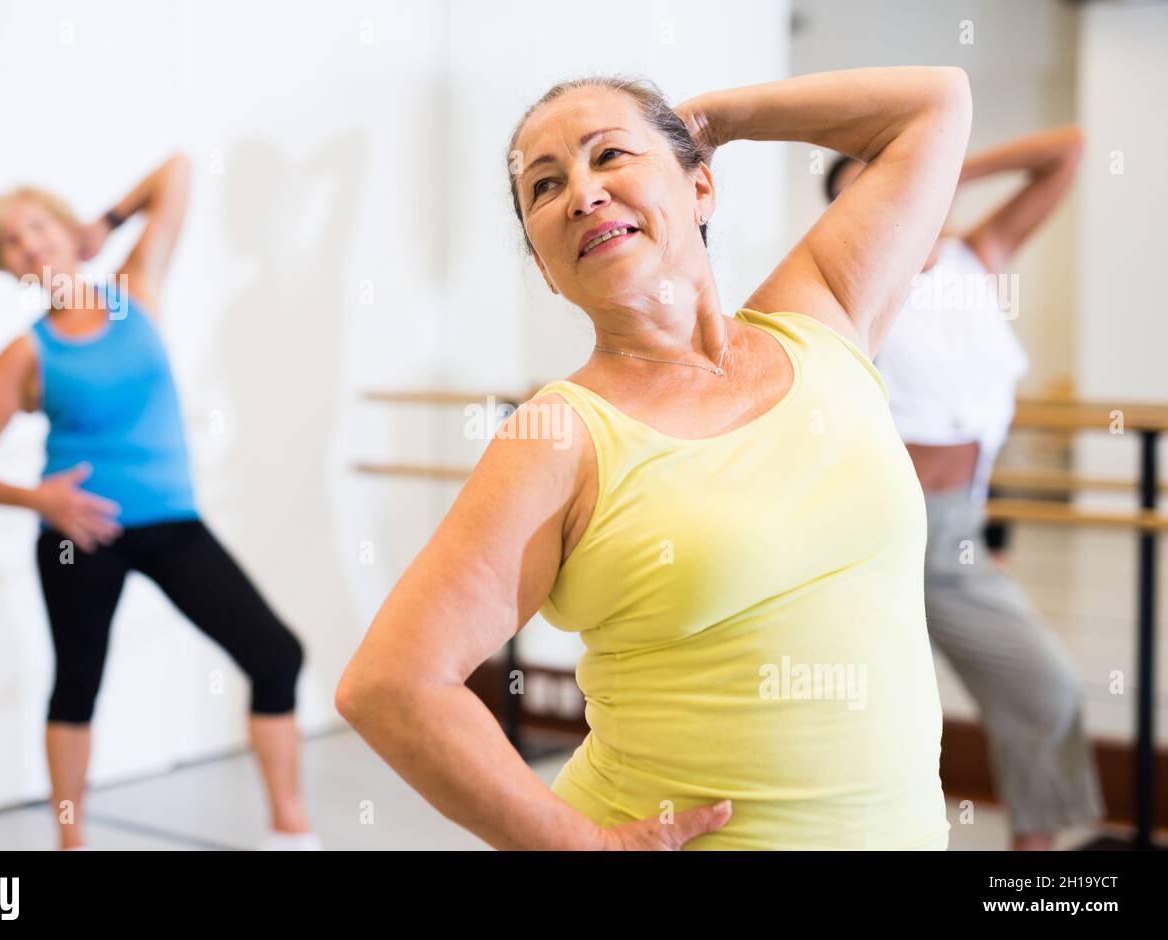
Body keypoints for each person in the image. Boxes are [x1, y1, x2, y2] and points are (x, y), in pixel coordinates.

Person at [337, 67, 973, 849]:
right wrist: (584, 846)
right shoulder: (560, 438)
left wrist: (707, 119)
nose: (581, 193)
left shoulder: (823, 314)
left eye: (609, 156)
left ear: (701, 190)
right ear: (546, 268)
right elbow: (391, 685)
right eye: (543, 187)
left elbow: (935, 104)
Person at [0, 155, 318, 851]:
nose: (32, 246)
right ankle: (71, 843)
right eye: (14, 243)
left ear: (62, 227)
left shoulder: (131, 290)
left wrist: (104, 222)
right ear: (9, 266)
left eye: (38, 227)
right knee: (77, 685)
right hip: (80, 533)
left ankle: (290, 832)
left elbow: (177, 172)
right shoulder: (27, 353)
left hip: (171, 524)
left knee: (276, 656)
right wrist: (36, 498)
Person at [826, 125, 1105, 850]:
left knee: (1046, 690)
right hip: (865, 541)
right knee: (852, 725)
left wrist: (939, 165)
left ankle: (1033, 868)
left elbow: (1067, 151)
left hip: (954, 539)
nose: (896, 206)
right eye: (871, 197)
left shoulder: (976, 261)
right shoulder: (853, 292)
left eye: (901, 188)